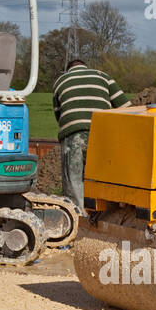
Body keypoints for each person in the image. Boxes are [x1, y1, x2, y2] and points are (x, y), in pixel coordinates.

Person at [51, 59, 131, 209]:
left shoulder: (60, 81)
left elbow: (59, 115)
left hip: (72, 135)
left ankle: (78, 219)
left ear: (69, 70)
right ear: (86, 67)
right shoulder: (103, 76)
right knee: (105, 178)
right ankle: (108, 214)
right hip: (101, 133)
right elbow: (127, 108)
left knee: (74, 184)